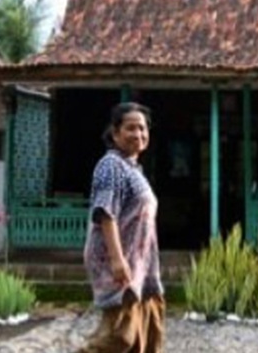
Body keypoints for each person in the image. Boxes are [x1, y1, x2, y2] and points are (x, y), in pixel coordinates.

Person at [77, 102, 164, 353]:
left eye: (143, 128)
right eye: (131, 128)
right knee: (120, 335)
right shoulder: (111, 165)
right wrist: (117, 260)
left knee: (148, 330)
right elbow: (105, 213)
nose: (138, 134)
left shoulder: (133, 168)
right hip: (117, 259)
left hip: (141, 263)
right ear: (115, 133)